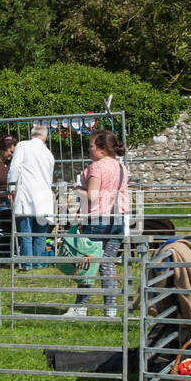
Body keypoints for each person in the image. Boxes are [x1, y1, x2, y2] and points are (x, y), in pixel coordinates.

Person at [64, 130, 130, 317]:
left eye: (91, 146)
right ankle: (110, 308)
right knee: (107, 264)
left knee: (88, 263)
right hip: (118, 218)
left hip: (97, 219)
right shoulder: (121, 168)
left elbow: (92, 196)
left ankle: (80, 307)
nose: (89, 149)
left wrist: (77, 190)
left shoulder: (96, 167)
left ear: (101, 149)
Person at [7, 124, 56, 270]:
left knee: (25, 232)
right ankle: (38, 263)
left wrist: (11, 188)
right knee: (40, 233)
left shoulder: (23, 145)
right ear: (45, 137)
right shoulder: (49, 154)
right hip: (43, 197)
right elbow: (50, 178)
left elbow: (14, 168)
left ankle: (27, 264)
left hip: (26, 194)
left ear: (32, 133)